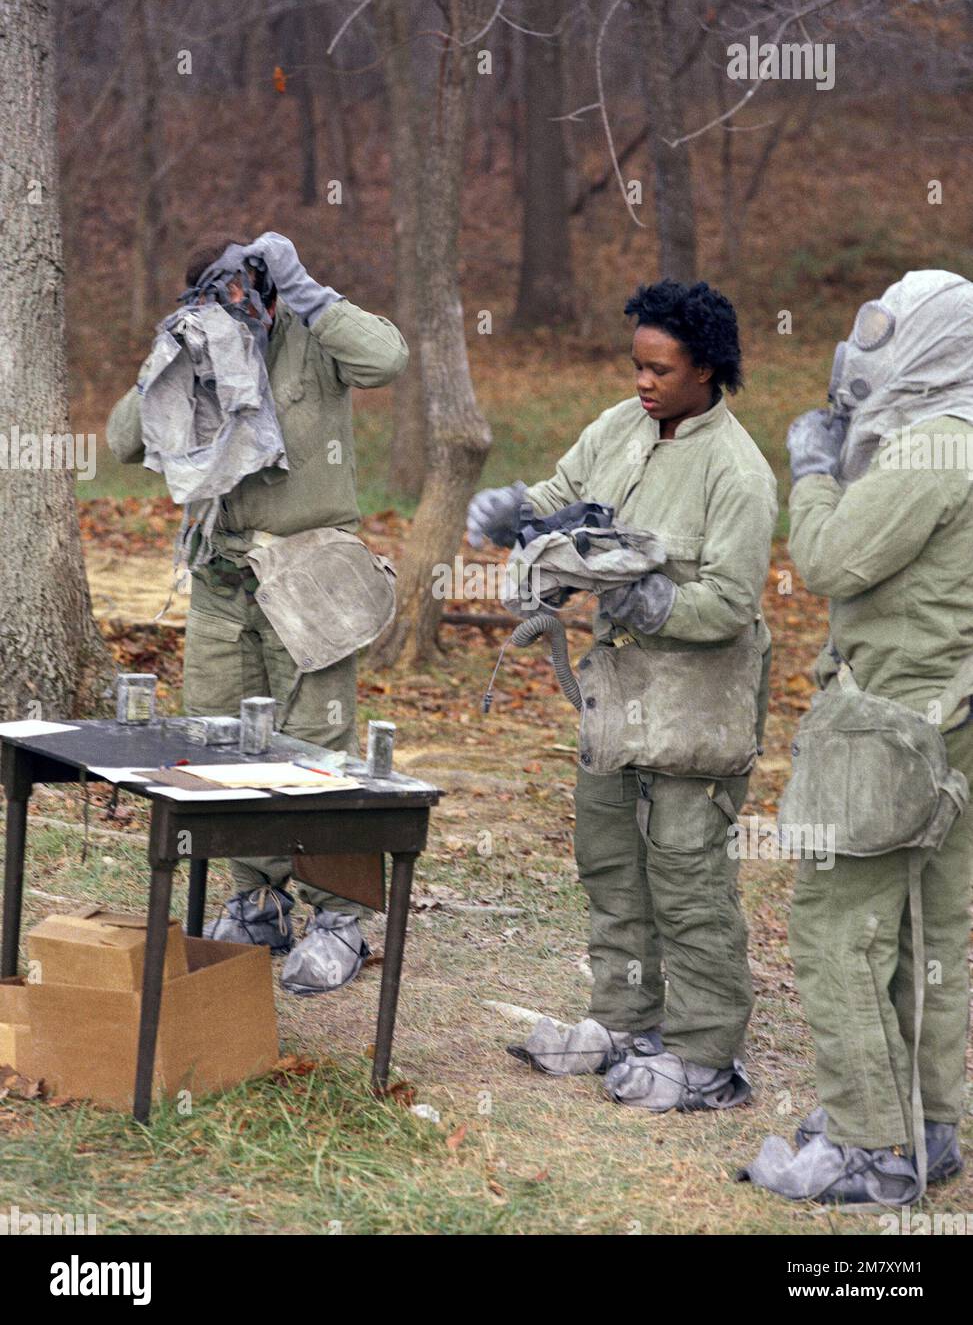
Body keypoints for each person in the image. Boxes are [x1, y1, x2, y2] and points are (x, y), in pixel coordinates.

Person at [467, 280, 778, 1109]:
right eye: (636, 365)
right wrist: (513, 517)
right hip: (618, 695)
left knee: (685, 873)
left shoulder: (737, 472)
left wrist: (649, 599)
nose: (642, 383)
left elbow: (730, 603)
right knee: (609, 857)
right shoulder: (618, 426)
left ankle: (707, 1057)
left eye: (659, 369)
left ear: (706, 369)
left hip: (697, 699)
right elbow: (560, 498)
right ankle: (624, 1022)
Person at [106, 233, 408, 989]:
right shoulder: (199, 347)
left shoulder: (312, 335)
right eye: (216, 294)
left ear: (269, 288)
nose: (234, 305)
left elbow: (387, 360)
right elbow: (120, 440)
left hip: (310, 576)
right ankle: (257, 899)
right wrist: (177, 352)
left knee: (317, 749)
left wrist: (308, 291)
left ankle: (338, 915)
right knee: (222, 744)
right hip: (223, 578)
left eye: (243, 290)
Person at [741, 270, 973, 1205]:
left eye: (885, 331)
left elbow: (832, 559)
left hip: (890, 726)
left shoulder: (931, 450)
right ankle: (926, 1125)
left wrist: (811, 473)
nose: (863, 351)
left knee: (838, 926)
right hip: (947, 722)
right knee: (928, 928)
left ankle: (871, 1149)